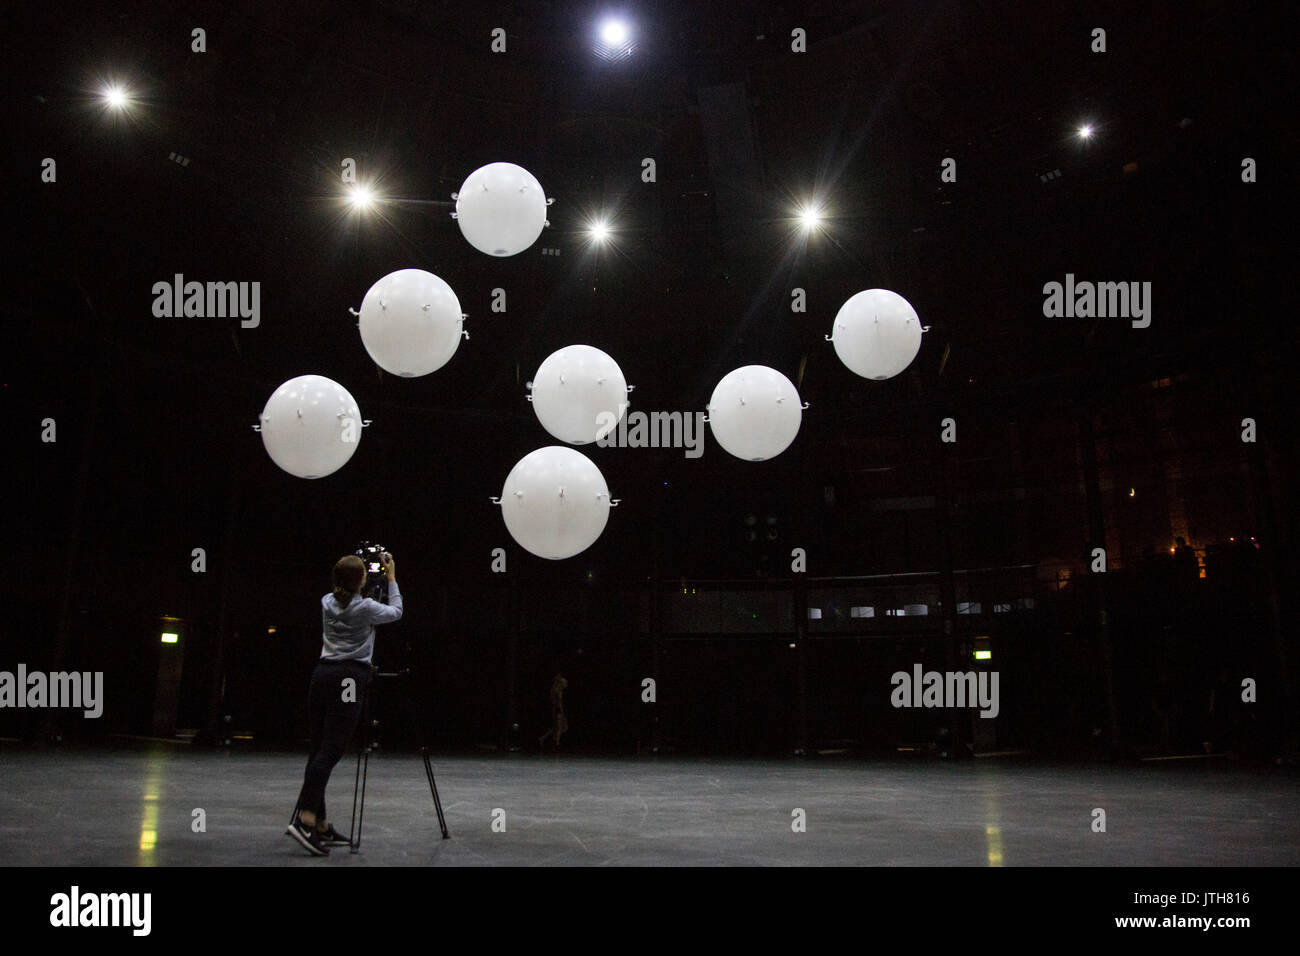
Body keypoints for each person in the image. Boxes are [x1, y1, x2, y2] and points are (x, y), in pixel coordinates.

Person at [286, 551, 403, 856]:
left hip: (322, 675)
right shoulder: (366, 608)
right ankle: (305, 818)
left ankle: (321, 823)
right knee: (332, 750)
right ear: (361, 580)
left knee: (318, 749)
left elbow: (347, 593)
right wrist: (391, 579)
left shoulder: (326, 601)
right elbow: (396, 611)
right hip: (349, 678)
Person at [538, 672, 569, 752]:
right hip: (558, 710)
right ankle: (556, 744)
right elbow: (559, 703)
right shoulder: (558, 691)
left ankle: (543, 738)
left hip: (555, 710)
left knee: (557, 728)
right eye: (565, 683)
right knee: (559, 728)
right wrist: (562, 713)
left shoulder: (554, 689)